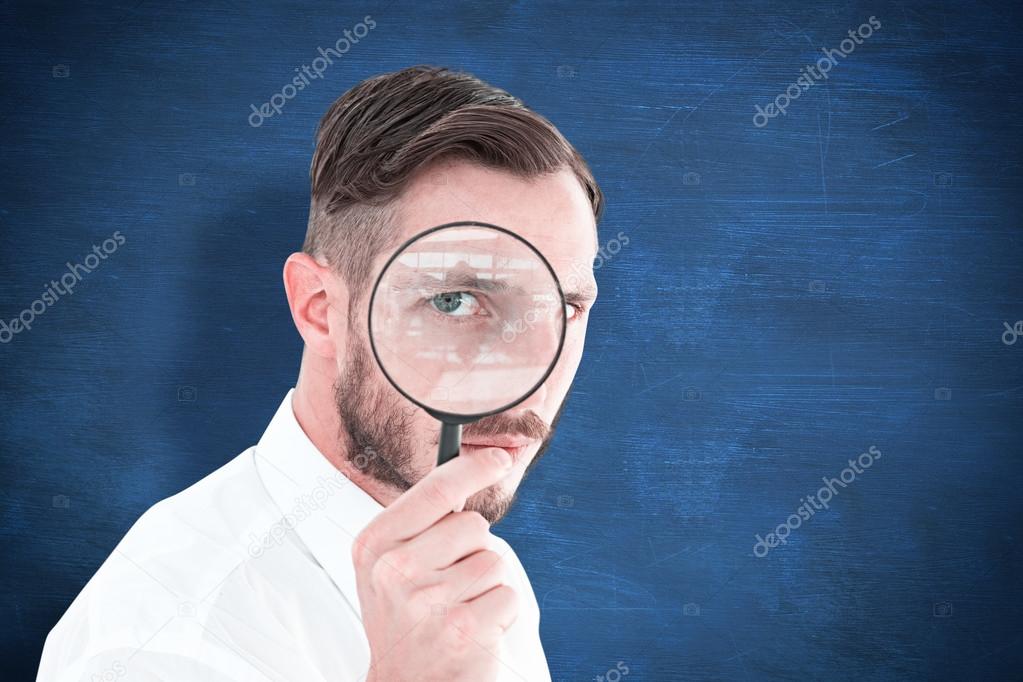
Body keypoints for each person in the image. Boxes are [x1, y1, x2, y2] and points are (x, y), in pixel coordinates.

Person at [38, 65, 603, 682]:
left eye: (564, 308)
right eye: (454, 301)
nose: (528, 380)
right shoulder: (157, 643)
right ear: (320, 309)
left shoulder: (474, 571)